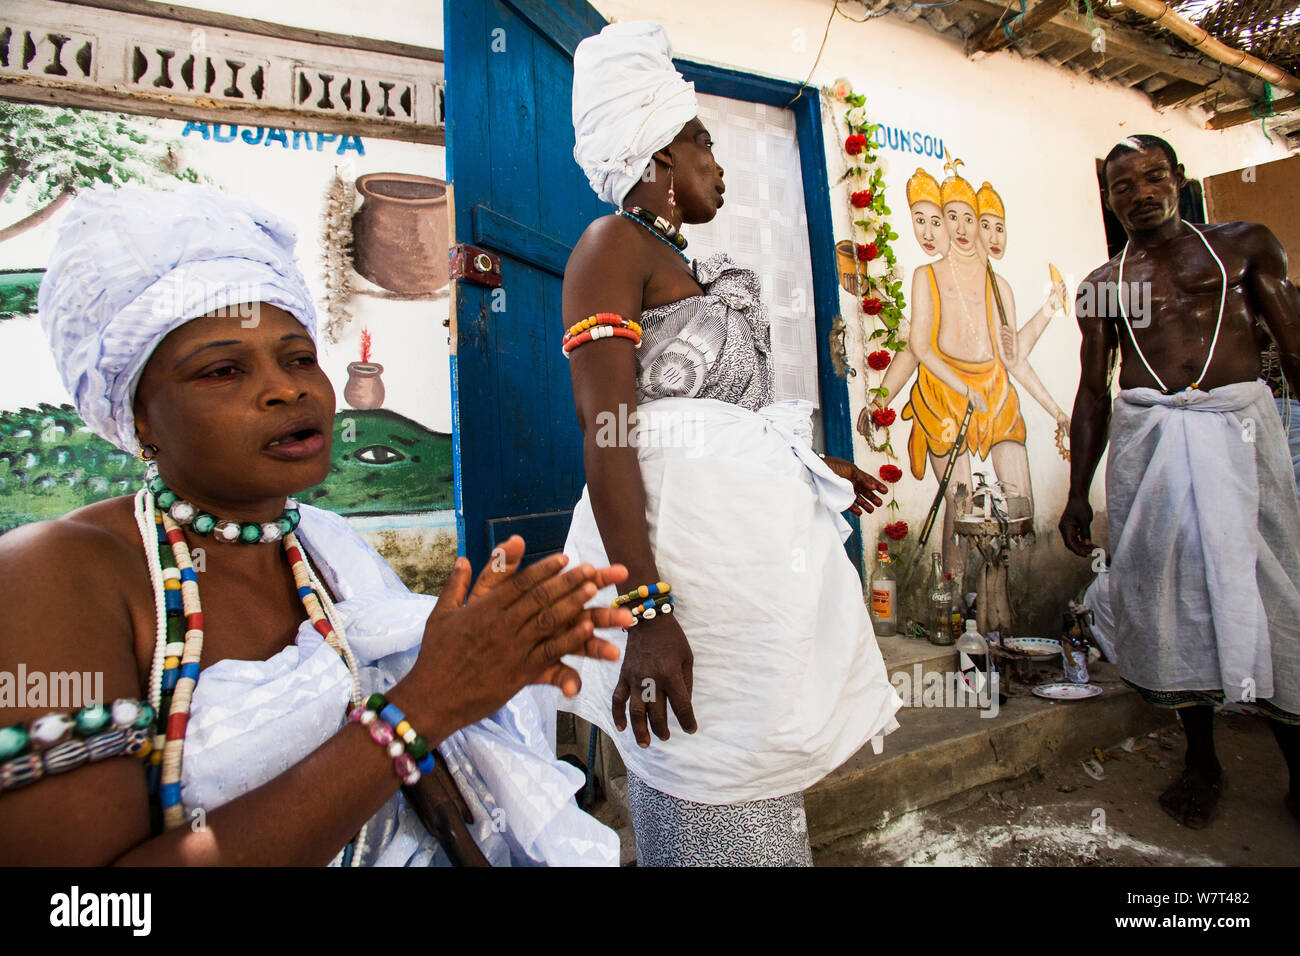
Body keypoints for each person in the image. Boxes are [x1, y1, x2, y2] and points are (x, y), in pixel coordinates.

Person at [0, 184, 633, 865]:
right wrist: (426, 703)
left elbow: (429, 792)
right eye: (223, 370)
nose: (288, 387)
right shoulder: (55, 575)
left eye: (299, 357)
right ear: (138, 415)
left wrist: (479, 670)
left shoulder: (324, 549)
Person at [558, 20, 902, 866]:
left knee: (750, 781)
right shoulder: (610, 245)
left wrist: (810, 462)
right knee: (704, 776)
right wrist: (648, 613)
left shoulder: (682, 262)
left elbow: (715, 416)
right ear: (659, 159)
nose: (720, 165)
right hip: (680, 574)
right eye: (704, 144)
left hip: (736, 580)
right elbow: (609, 434)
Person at [1061, 134, 1300, 828]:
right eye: (1122, 186)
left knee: (1270, 587)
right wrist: (1077, 492)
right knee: (1170, 593)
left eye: (1153, 178)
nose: (1140, 194)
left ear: (1179, 179)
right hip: (1152, 443)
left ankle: (1295, 760)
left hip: (1239, 435)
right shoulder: (1104, 285)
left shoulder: (1245, 246)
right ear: (1109, 198)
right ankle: (1201, 760)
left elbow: (1292, 344)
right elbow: (1093, 392)